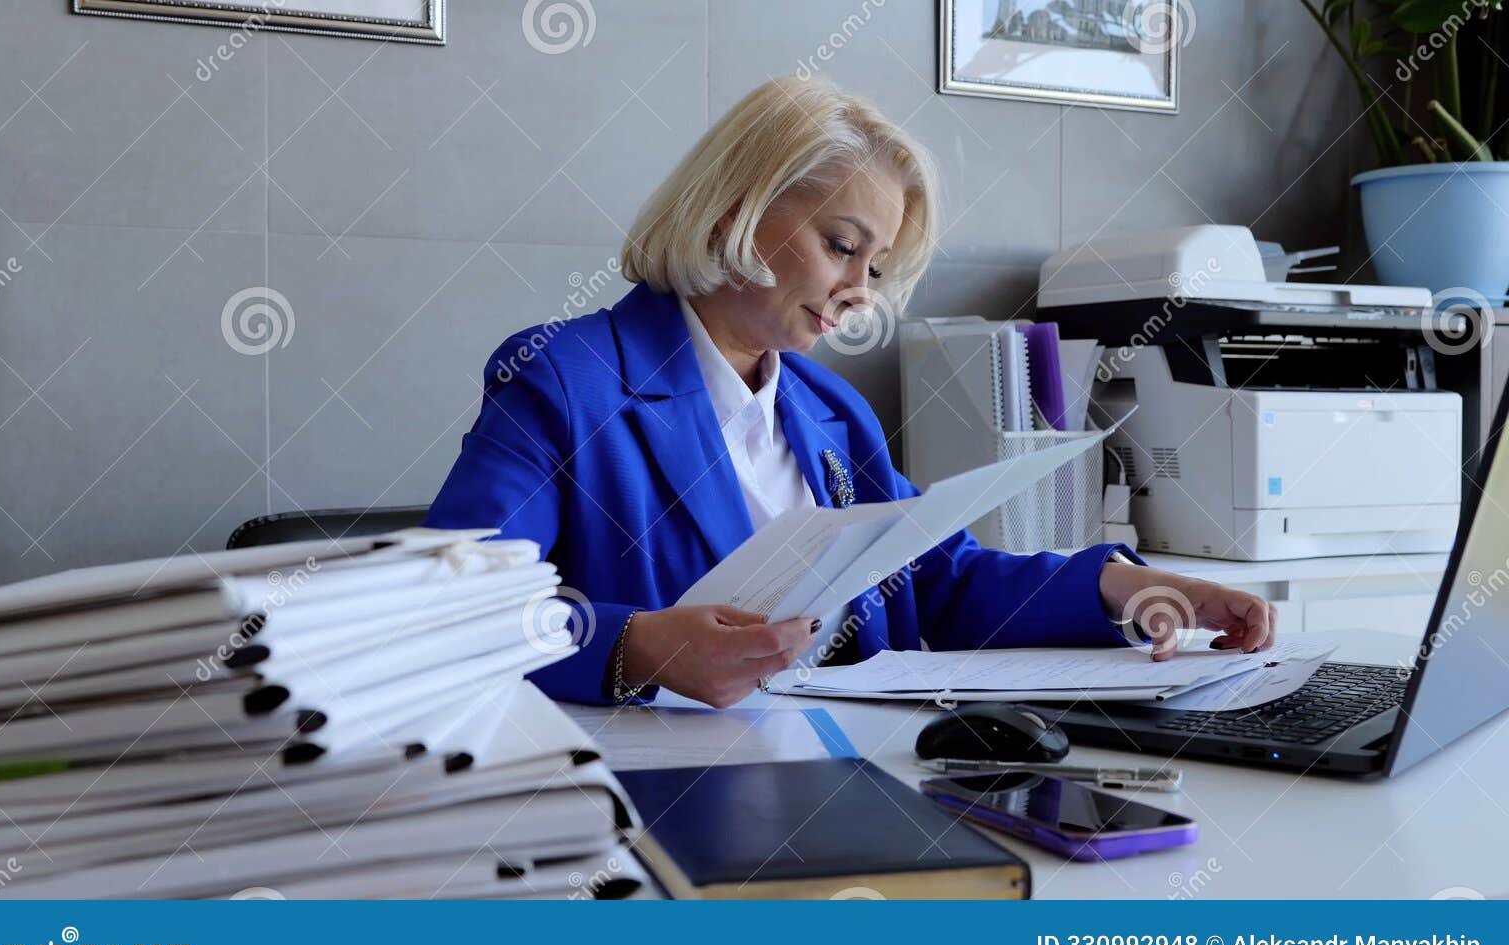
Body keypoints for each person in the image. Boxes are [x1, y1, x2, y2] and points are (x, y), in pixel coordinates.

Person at [425, 76, 1275, 708]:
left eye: (876, 265)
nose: (860, 291)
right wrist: (632, 647)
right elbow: (450, 615)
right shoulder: (563, 380)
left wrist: (1128, 588)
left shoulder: (833, 412)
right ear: (732, 212)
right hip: (666, 805)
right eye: (841, 246)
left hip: (862, 775)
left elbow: (937, 583)